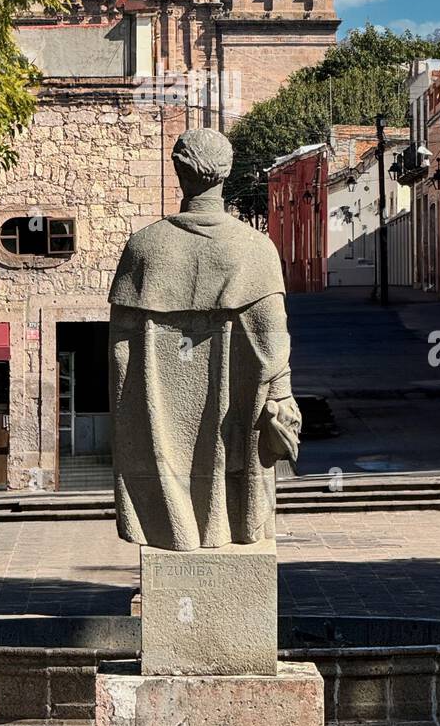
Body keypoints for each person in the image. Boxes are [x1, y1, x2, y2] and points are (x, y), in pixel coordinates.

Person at [108, 127, 302, 551]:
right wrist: (282, 394)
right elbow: (273, 342)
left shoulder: (144, 248)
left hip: (162, 422)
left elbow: (122, 354)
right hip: (236, 420)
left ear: (178, 171)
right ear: (227, 172)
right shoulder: (254, 249)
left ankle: (173, 529)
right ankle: (227, 528)